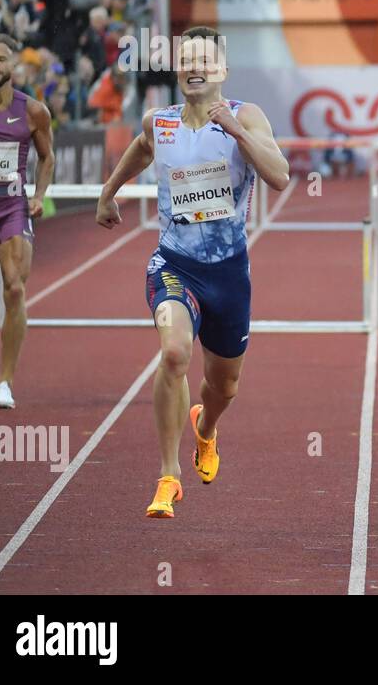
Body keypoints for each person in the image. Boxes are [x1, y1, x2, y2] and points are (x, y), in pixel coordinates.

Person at [96, 27, 290, 519]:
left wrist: (237, 132)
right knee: (175, 352)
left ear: (222, 70)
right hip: (174, 265)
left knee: (223, 387)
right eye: (186, 58)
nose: (194, 66)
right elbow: (143, 147)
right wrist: (109, 192)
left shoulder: (246, 115)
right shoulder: (159, 122)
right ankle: (168, 476)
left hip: (228, 274)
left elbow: (280, 175)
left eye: (204, 58)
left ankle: (205, 429)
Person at [0, 34, 55, 410]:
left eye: (1, 59)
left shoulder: (34, 111)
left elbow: (47, 158)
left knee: (16, 288)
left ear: (13, 65)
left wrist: (38, 195)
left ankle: (5, 381)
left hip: (11, 208)